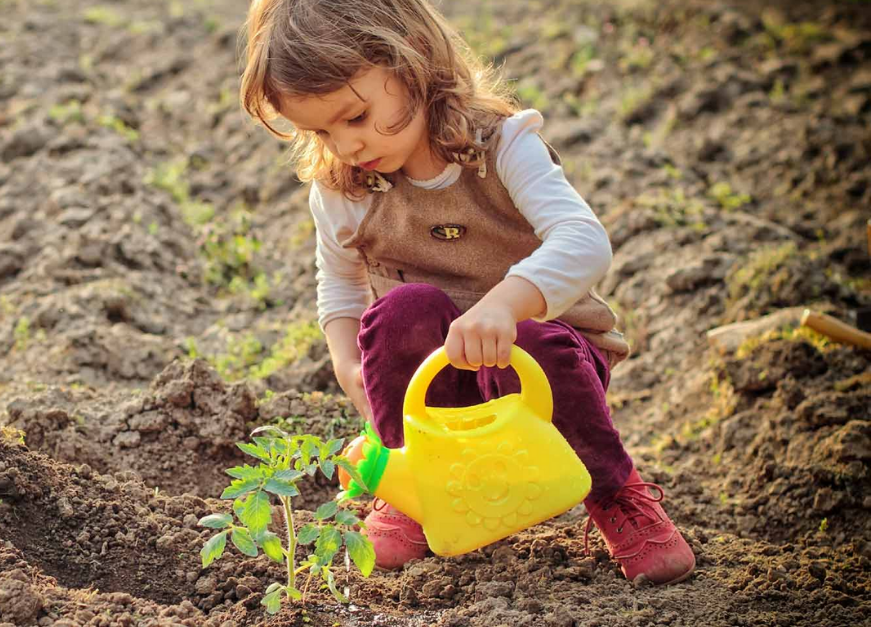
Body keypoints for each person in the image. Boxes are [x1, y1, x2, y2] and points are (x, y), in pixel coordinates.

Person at [238, 0, 696, 584]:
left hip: (548, 366)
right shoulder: (344, 186)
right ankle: (414, 490)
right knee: (402, 310)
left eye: (355, 117)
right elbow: (340, 282)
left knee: (532, 338)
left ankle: (613, 492)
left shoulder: (503, 146)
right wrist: (346, 360)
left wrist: (506, 304)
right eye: (321, 130)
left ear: (412, 63)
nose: (345, 145)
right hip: (433, 378)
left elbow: (583, 238)